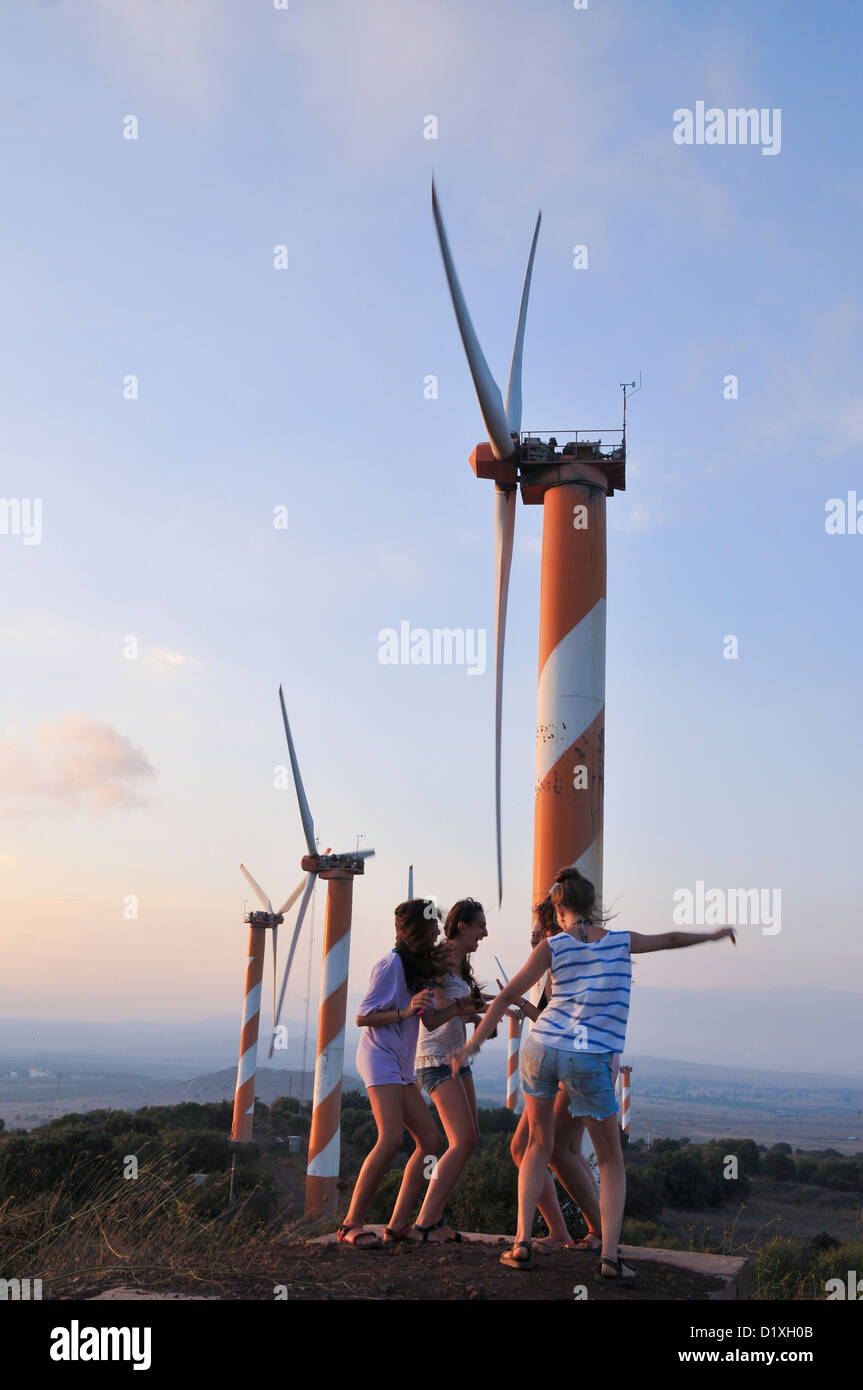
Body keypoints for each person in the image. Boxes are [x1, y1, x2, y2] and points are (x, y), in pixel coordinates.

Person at [451, 865, 735, 1282]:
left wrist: (471, 1046)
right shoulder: (620, 942)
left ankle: (522, 1242)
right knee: (610, 1160)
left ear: (558, 908)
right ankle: (609, 1257)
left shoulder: (553, 946)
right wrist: (710, 935)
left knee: (536, 1146)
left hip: (541, 1048)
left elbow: (509, 994)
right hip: (588, 1054)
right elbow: (670, 939)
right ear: (593, 905)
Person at [337, 899, 447, 1248]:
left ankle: (398, 1223)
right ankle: (350, 1223)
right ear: (416, 929)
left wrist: (463, 1009)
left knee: (431, 1142)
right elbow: (362, 1017)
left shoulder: (418, 966)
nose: (437, 932)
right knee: (390, 1139)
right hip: (379, 1057)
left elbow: (427, 1019)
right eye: (432, 925)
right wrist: (404, 1011)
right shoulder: (390, 965)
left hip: (400, 1064)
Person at [507, 898, 603, 1253]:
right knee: (554, 1149)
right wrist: (523, 1006)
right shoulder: (563, 965)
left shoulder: (568, 964)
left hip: (573, 1065)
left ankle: (600, 1232)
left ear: (553, 926)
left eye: (537, 931)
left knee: (556, 1150)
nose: (533, 939)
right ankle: (569, 1233)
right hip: (570, 1063)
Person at [408, 897, 489, 1243]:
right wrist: (462, 1008)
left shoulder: (461, 966)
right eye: (481, 926)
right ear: (462, 926)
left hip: (457, 1059)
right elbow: (430, 1021)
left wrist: (477, 1015)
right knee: (463, 1139)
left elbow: (455, 1012)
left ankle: (435, 1219)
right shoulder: (437, 963)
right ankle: (425, 1223)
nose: (486, 933)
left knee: (470, 1140)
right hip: (435, 1059)